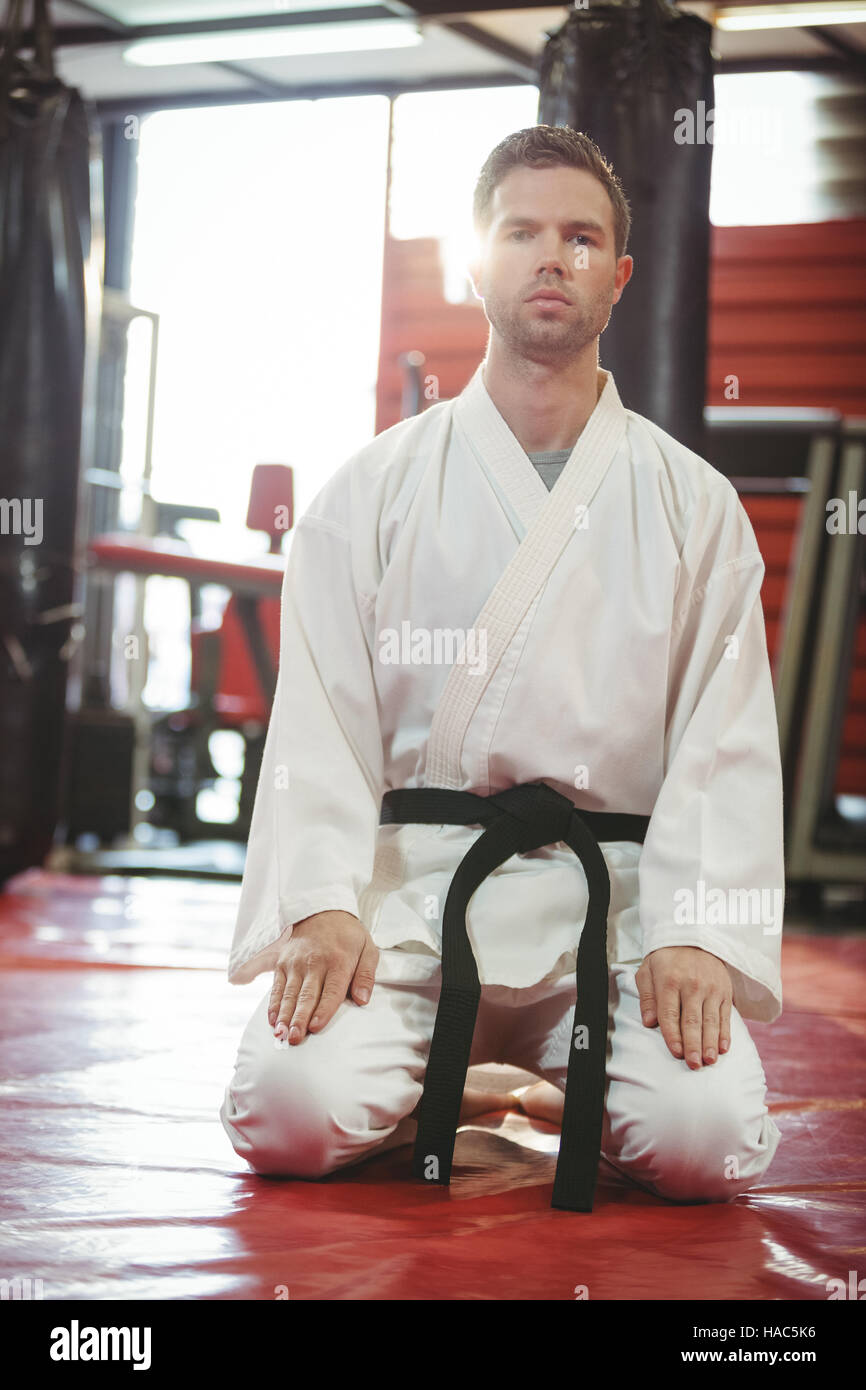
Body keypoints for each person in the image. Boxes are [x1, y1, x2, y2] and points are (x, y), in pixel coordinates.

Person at [219, 125, 784, 1204]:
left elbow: (723, 744)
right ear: (475, 262)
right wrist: (321, 905)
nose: (548, 256)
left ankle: (535, 1091)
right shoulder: (368, 493)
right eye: (519, 231)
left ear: (615, 279)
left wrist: (694, 931)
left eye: (579, 238)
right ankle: (451, 1082)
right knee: (281, 1117)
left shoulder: (691, 504)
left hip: (607, 913)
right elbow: (318, 731)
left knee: (706, 1139)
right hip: (414, 903)